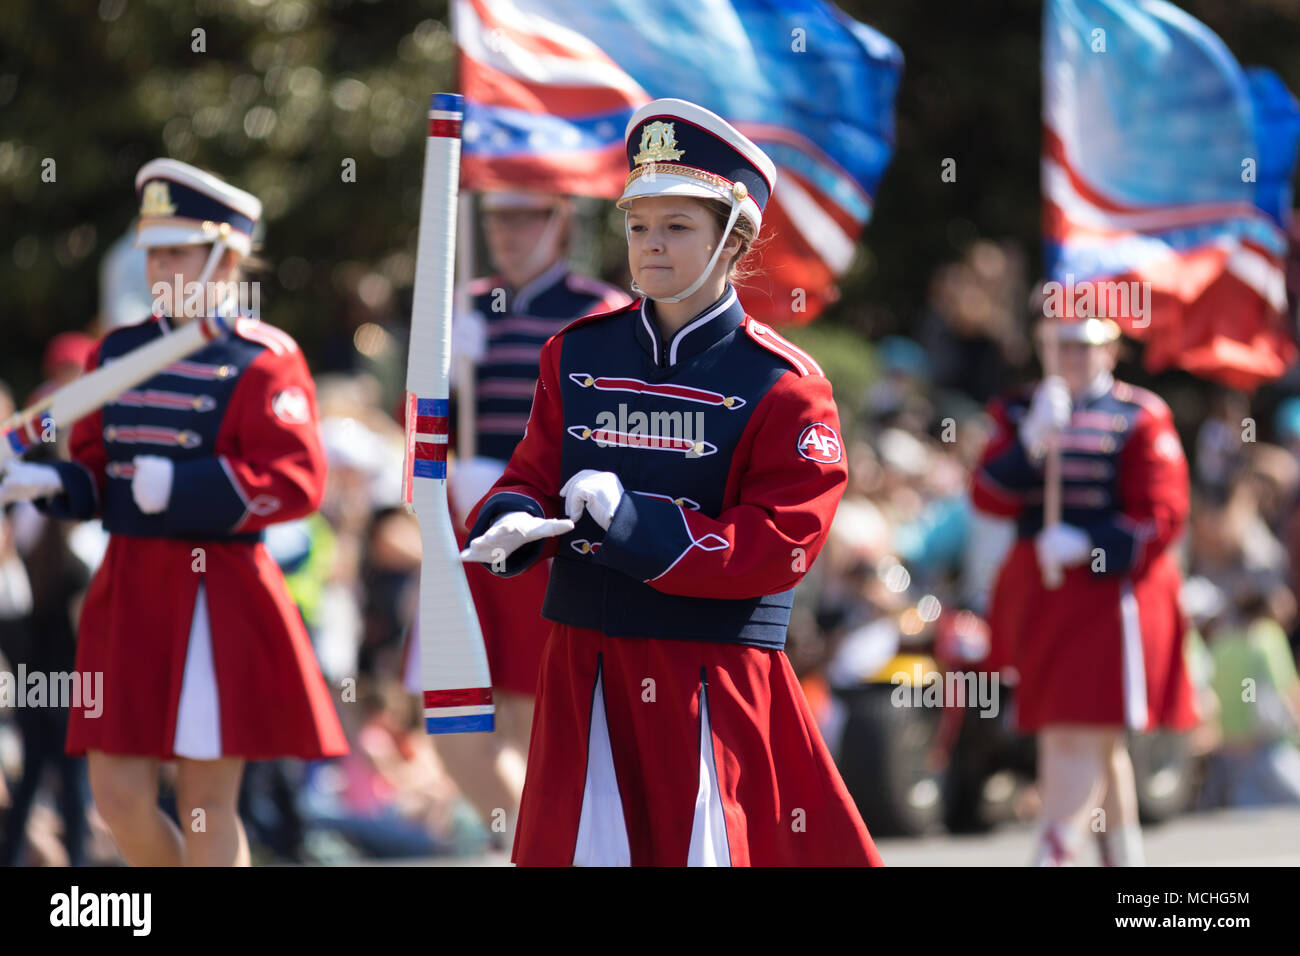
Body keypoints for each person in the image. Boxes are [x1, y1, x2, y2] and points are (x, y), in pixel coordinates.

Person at [459, 98, 882, 866]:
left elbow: (780, 544)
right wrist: (509, 516)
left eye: (677, 227)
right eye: (639, 225)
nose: (650, 245)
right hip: (584, 662)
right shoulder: (575, 353)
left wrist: (635, 526)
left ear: (734, 238)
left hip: (709, 674)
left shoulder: (784, 384)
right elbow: (533, 471)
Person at [0, 159, 347, 866]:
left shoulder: (262, 359)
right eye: (154, 250)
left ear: (226, 256)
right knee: (118, 801)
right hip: (129, 592)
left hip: (214, 596)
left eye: (178, 249)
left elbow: (298, 482)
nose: (161, 265)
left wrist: (189, 487)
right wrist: (42, 483)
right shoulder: (119, 351)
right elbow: (98, 475)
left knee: (204, 805)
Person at [425, 190, 629, 849]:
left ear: (561, 218)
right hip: (462, 524)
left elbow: (602, 431)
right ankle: (540, 847)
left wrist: (507, 471)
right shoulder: (465, 302)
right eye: (499, 217)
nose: (509, 231)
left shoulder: (595, 311)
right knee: (453, 717)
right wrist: (436, 370)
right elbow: (420, 430)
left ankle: (545, 849)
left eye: (527, 214)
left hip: (535, 530)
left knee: (529, 714)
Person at [969, 315, 1198, 866]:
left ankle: (1055, 854)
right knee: (1080, 735)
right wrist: (1030, 444)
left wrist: (1091, 542)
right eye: (1061, 344)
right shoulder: (1019, 410)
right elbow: (987, 495)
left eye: (1085, 344)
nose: (1072, 356)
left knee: (1078, 732)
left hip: (1112, 600)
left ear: (1111, 349)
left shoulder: (1140, 415)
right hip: (1043, 598)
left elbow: (1164, 514)